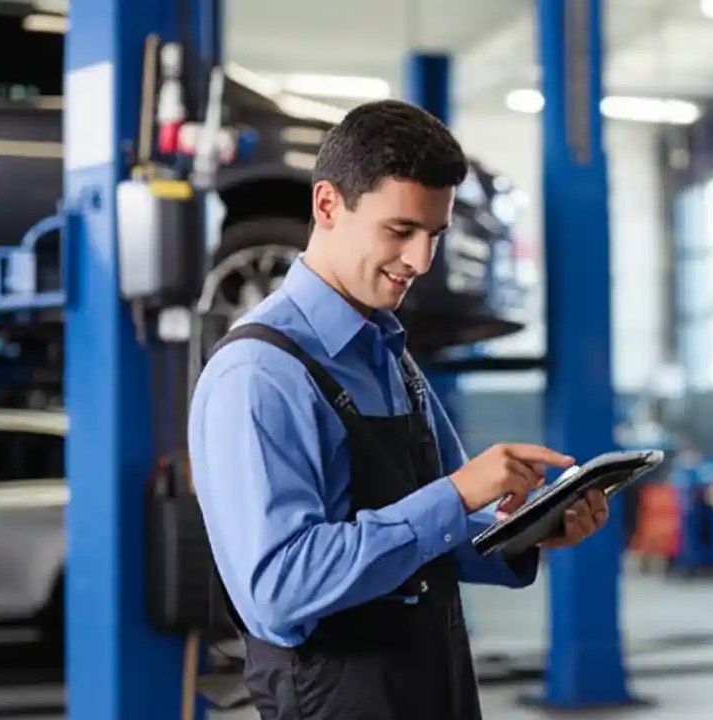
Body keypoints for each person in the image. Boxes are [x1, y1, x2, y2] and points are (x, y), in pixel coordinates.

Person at [187, 99, 611, 720]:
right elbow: (279, 590)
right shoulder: (258, 373)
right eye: (400, 230)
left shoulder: (389, 356)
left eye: (433, 236)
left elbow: (434, 539)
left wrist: (531, 530)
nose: (420, 261)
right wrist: (458, 493)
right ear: (327, 205)